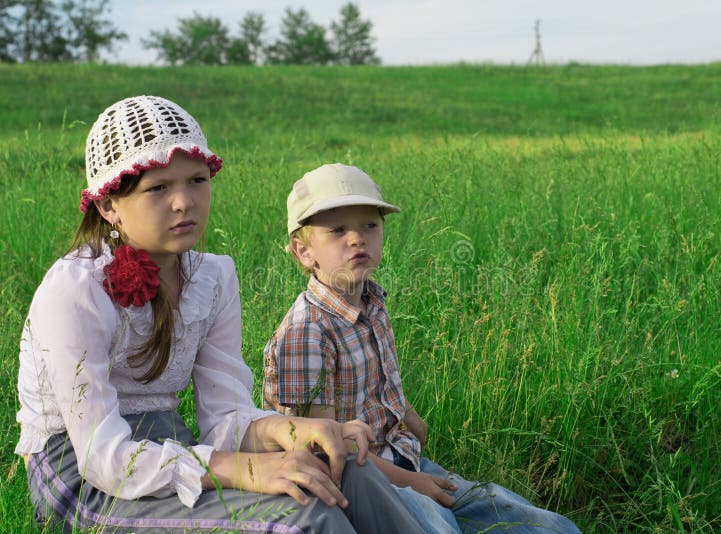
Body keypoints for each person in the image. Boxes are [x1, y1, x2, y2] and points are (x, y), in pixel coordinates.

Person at [15, 96, 425, 533]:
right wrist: (251, 471)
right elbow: (104, 457)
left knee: (339, 467)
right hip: (86, 477)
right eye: (158, 188)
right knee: (307, 515)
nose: (183, 202)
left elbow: (226, 417)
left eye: (196, 180)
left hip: (172, 446)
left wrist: (299, 431)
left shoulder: (212, 277)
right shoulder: (76, 291)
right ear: (107, 205)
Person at [262, 163, 582, 533]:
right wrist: (413, 484)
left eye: (370, 225)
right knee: (439, 526)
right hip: (361, 484)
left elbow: (378, 385)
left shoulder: (372, 302)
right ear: (303, 251)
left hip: (404, 460)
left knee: (542, 523)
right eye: (337, 230)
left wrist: (408, 416)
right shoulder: (307, 333)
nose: (357, 239)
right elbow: (326, 450)